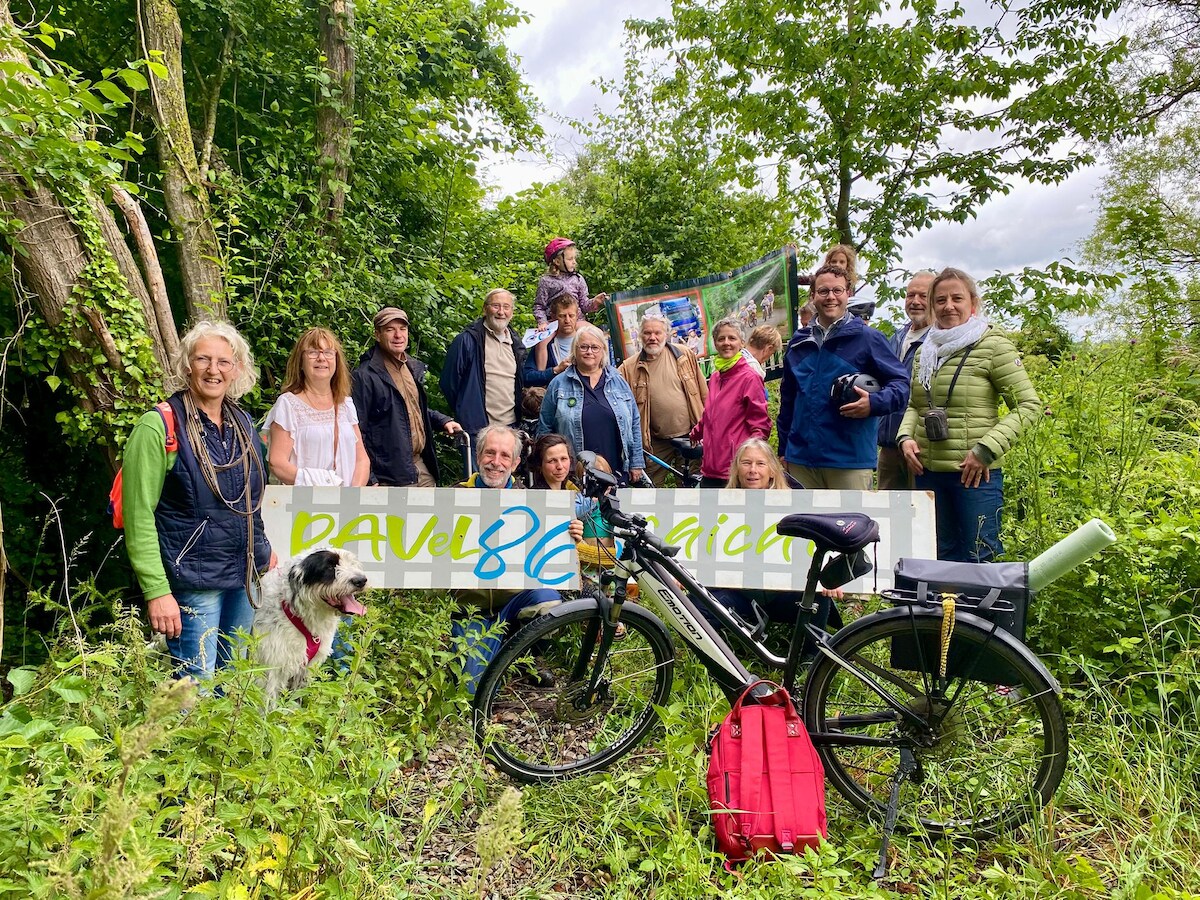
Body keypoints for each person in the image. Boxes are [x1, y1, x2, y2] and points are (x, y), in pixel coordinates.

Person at [122, 320, 274, 680]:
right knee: (196, 689)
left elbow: (250, 499)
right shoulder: (158, 425)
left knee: (233, 686)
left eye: (224, 361)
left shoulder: (243, 423)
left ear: (236, 368)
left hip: (244, 576)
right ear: (187, 365)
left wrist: (263, 547)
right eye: (203, 359)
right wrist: (157, 591)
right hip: (193, 580)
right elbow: (138, 515)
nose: (213, 370)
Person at [896, 268, 1041, 563]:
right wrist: (905, 437)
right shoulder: (927, 351)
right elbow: (915, 404)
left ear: (972, 303)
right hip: (929, 473)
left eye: (956, 298)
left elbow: (1028, 405)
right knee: (937, 553)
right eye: (941, 300)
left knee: (979, 554)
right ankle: (941, 611)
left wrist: (985, 450)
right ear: (933, 307)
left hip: (974, 474)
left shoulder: (993, 346)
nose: (948, 306)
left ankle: (977, 612)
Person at [777, 263, 910, 490]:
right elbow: (788, 401)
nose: (831, 297)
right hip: (801, 460)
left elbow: (901, 385)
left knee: (850, 525)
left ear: (848, 294)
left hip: (849, 460)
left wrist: (873, 403)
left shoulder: (868, 339)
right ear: (813, 295)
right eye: (823, 291)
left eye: (837, 291)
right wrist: (783, 451)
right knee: (802, 525)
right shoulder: (798, 343)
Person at [452, 425, 563, 692]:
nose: (496, 462)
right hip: (470, 610)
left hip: (517, 601)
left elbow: (555, 554)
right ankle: (499, 654)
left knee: (549, 601)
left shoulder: (534, 501)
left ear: (515, 462)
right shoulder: (452, 497)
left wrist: (571, 535)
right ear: (478, 457)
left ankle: (528, 655)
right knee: (471, 690)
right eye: (490, 453)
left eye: (504, 455)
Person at [706, 439, 841, 656]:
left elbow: (821, 540)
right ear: (736, 469)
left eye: (760, 464)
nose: (752, 470)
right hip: (741, 596)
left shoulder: (797, 504)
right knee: (698, 602)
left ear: (772, 471)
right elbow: (700, 546)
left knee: (818, 597)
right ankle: (719, 659)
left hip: (785, 595)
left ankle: (811, 660)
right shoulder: (718, 504)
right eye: (746, 463)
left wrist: (832, 574)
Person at [353, 307, 461, 487]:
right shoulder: (364, 376)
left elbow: (410, 409)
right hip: (389, 473)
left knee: (435, 512)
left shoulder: (410, 366)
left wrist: (442, 420)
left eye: (402, 329)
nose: (398, 335)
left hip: (418, 463)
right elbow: (356, 430)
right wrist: (370, 477)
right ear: (377, 335)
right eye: (390, 330)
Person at [539, 323, 646, 485]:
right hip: (574, 470)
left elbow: (634, 423)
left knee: (614, 509)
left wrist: (636, 461)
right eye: (584, 347)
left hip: (616, 465)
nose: (589, 352)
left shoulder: (618, 381)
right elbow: (544, 428)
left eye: (595, 347)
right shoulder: (559, 384)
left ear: (603, 350)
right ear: (575, 349)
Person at [266, 328, 370, 487]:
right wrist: (322, 483)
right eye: (313, 352)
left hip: (346, 506)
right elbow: (277, 463)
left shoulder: (346, 404)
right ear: (300, 362)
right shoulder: (288, 404)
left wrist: (352, 496)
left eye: (328, 352)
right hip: (304, 506)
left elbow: (361, 459)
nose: (321, 358)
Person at [616, 312, 707, 486]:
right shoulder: (628, 368)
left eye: (657, 333)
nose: (652, 337)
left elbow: (704, 394)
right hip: (654, 443)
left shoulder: (684, 355)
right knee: (650, 488)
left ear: (666, 334)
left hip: (691, 436)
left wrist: (707, 429)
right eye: (647, 333)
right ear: (640, 335)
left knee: (691, 487)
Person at [441, 289, 525, 470]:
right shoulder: (467, 340)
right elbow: (449, 382)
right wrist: (466, 409)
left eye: (506, 307)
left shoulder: (516, 343)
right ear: (485, 309)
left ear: (512, 311)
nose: (501, 312)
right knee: (475, 485)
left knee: (505, 484)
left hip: (510, 427)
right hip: (477, 429)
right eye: (496, 306)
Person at [690, 320, 771, 487]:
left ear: (741, 342)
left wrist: (751, 461)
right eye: (721, 339)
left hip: (734, 470)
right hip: (710, 467)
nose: (726, 343)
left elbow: (760, 425)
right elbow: (710, 413)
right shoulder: (715, 377)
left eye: (732, 338)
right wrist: (696, 432)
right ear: (715, 343)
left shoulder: (750, 377)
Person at [877, 272, 934, 490]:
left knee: (920, 514)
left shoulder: (939, 340)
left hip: (921, 447)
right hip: (889, 445)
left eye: (923, 296)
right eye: (910, 295)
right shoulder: (896, 337)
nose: (915, 301)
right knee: (885, 513)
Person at [533, 238, 608, 327]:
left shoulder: (578, 279)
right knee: (544, 341)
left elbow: (584, 305)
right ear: (557, 261)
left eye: (574, 259)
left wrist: (595, 302)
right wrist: (542, 322)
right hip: (555, 324)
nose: (574, 262)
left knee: (595, 334)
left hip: (577, 321)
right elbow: (539, 306)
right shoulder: (546, 281)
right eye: (570, 259)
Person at [524, 293, 580, 387]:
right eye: (562, 316)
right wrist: (555, 370)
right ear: (553, 316)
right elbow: (527, 377)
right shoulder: (545, 344)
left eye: (571, 316)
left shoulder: (586, 341)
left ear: (577, 315)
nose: (567, 320)